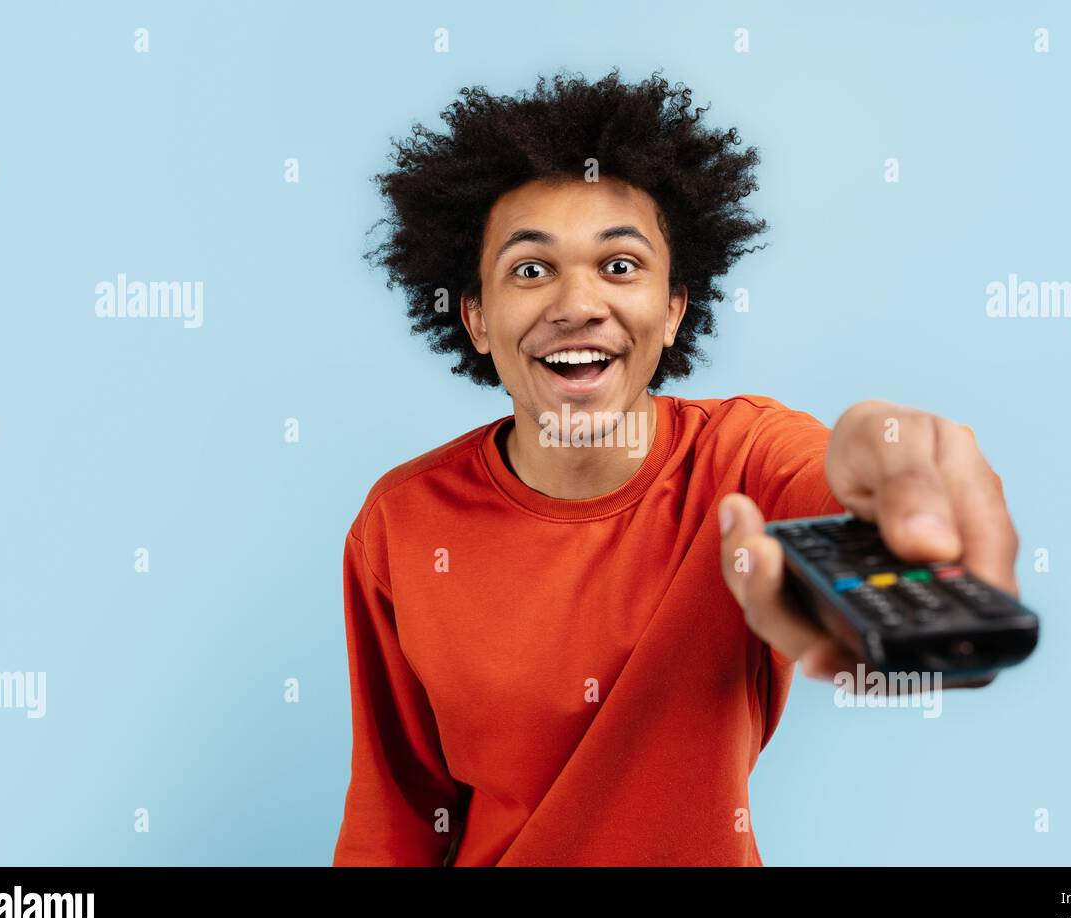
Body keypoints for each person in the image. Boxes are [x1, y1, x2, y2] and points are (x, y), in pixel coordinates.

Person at [333, 69, 1020, 866]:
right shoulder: (404, 520)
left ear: (672, 310)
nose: (576, 304)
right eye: (530, 269)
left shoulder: (747, 461)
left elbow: (836, 475)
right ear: (477, 319)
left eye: (620, 266)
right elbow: (397, 817)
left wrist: (902, 464)